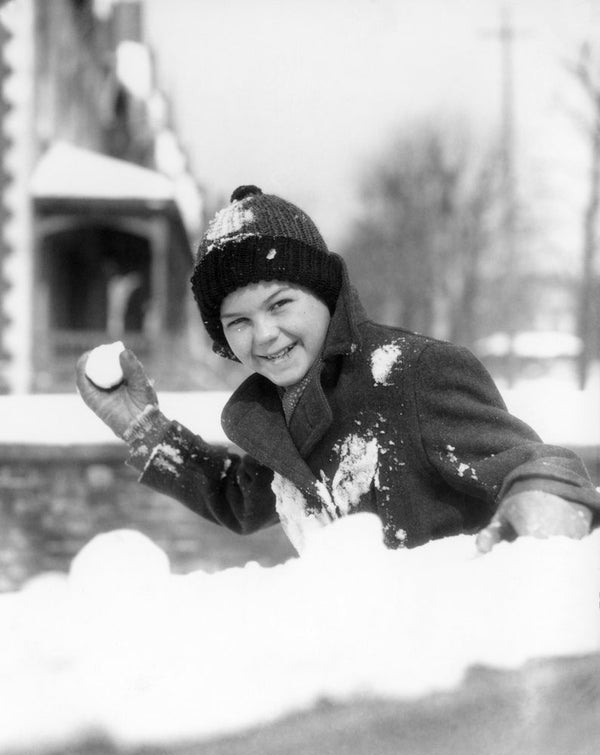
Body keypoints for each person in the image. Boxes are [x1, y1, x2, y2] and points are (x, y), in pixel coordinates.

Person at [76, 185, 599, 556]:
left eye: (280, 304)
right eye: (238, 321)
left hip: (452, 659)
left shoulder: (411, 374)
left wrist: (541, 508)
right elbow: (238, 499)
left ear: (324, 294)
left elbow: (539, 465)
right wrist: (145, 429)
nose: (263, 336)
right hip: (359, 669)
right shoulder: (274, 412)